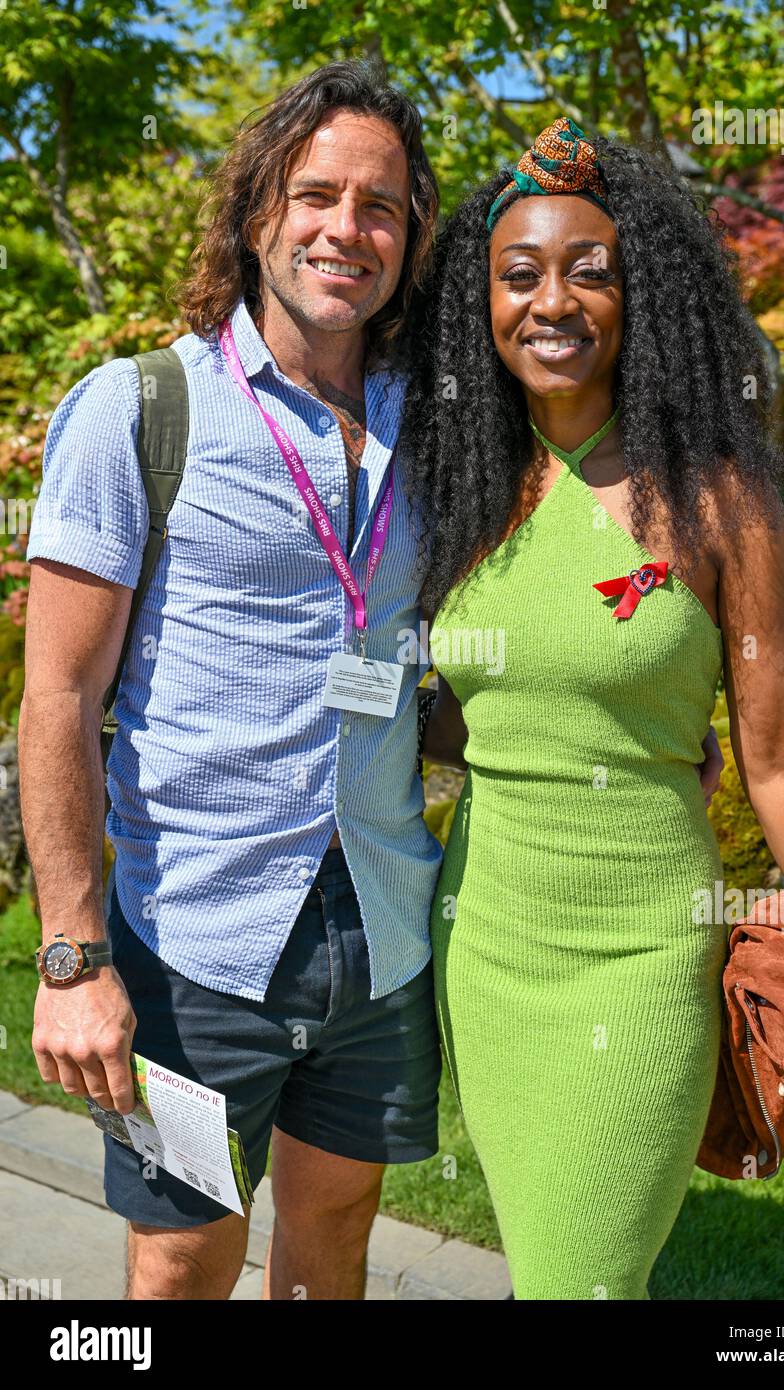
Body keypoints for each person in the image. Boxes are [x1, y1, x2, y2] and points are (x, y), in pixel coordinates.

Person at [402, 117, 784, 1300]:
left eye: (586, 271)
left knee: (582, 1279)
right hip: (488, 944)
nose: (549, 302)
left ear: (639, 294)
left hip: (641, 955)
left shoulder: (718, 500)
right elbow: (480, 710)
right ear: (481, 303)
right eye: (518, 276)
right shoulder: (458, 483)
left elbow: (777, 758)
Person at [21, 61, 446, 1301]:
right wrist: (71, 956)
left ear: (409, 237)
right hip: (189, 940)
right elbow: (55, 698)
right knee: (178, 1264)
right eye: (317, 194)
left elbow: (428, 667)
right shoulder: (137, 408)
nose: (346, 229)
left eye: (381, 206)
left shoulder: (431, 425)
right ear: (257, 209)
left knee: (335, 1249)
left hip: (381, 930)